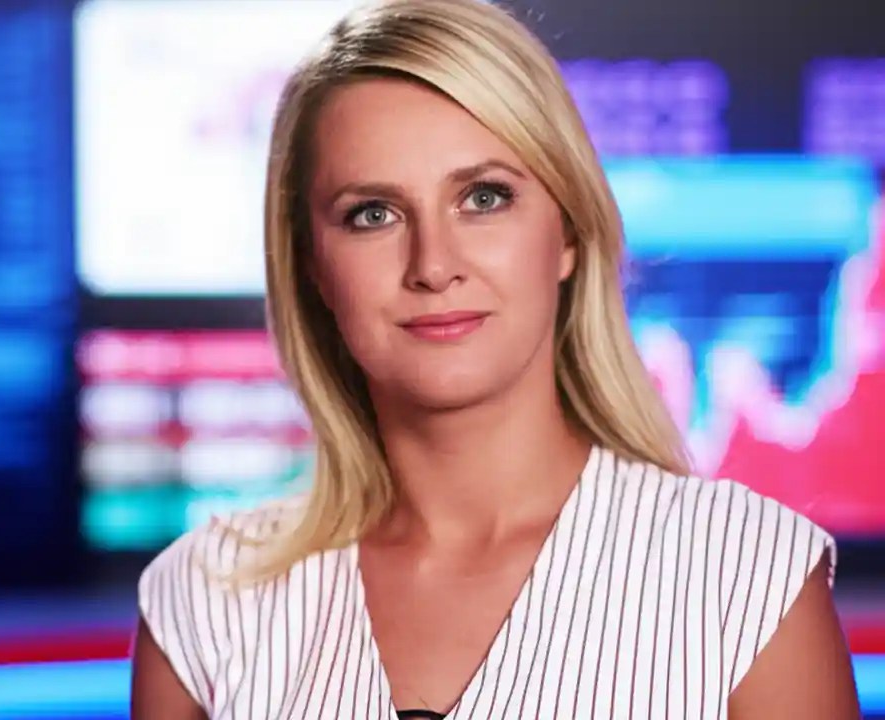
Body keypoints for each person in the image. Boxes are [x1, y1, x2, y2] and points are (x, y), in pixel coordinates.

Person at [129, 0, 862, 717]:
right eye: (373, 214)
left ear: (568, 232)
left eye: (483, 198)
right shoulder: (205, 600)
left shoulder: (748, 576)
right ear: (312, 266)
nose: (434, 265)